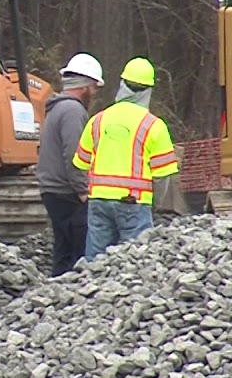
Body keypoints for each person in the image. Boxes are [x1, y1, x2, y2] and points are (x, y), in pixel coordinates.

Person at [73, 56, 179, 262]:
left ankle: (93, 292)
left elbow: (80, 164)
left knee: (95, 261)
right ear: (148, 90)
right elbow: (162, 177)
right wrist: (153, 204)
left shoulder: (98, 120)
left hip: (99, 202)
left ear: (122, 84)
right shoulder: (154, 126)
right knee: (135, 262)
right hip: (134, 203)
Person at [37, 53, 104, 277]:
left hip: (54, 190)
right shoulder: (73, 111)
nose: (94, 93)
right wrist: (83, 191)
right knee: (77, 254)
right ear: (85, 86)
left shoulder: (57, 108)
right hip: (67, 192)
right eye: (94, 87)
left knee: (63, 252)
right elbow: (75, 156)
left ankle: (54, 295)